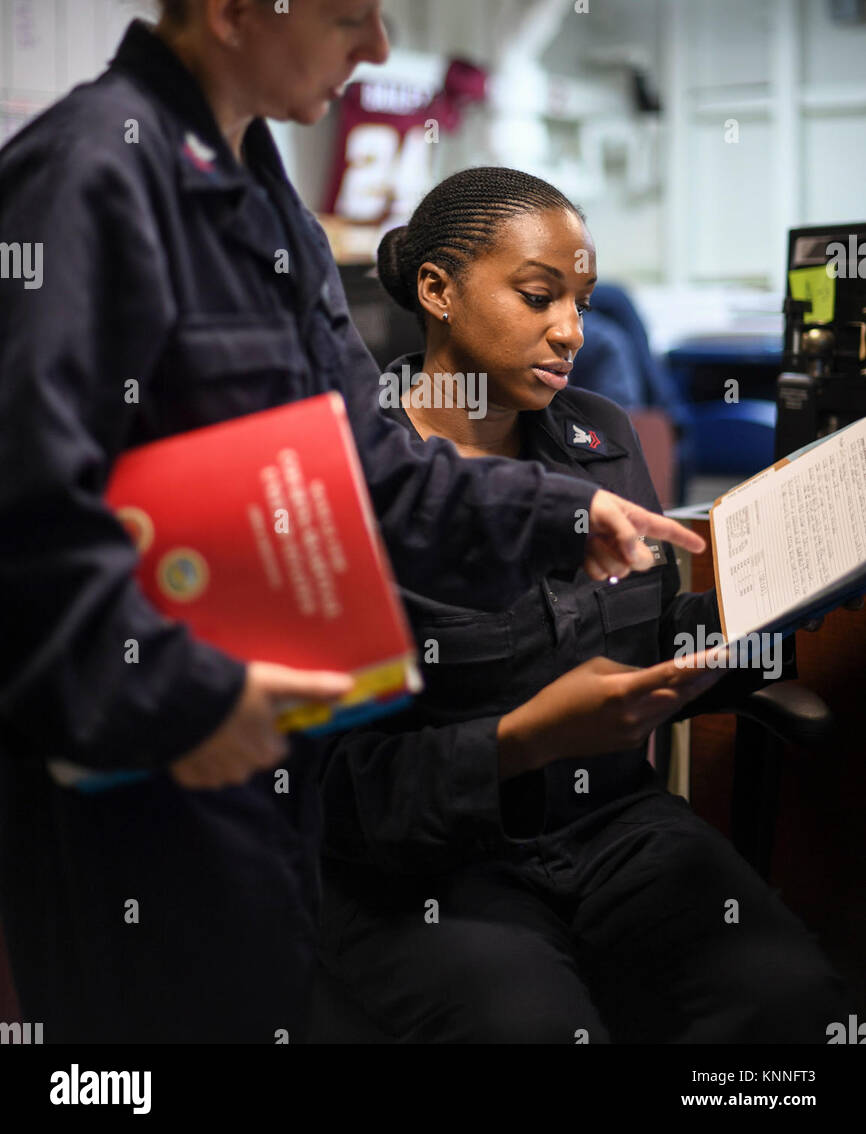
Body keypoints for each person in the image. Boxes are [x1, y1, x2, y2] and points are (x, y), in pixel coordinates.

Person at [0, 0, 703, 1045]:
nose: (378, 47)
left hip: (273, 772)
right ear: (233, 9)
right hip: (140, 783)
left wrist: (561, 508)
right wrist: (184, 694)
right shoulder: (87, 177)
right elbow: (25, 509)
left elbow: (367, 471)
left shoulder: (266, 192)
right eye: (347, 15)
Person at [315, 166, 851, 1044]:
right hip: (428, 863)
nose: (569, 332)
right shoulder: (351, 481)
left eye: (583, 302)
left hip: (608, 821)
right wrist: (522, 742)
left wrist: (771, 614)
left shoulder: (597, 438)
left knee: (790, 1008)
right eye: (537, 297)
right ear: (438, 290)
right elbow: (332, 791)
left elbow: (644, 644)